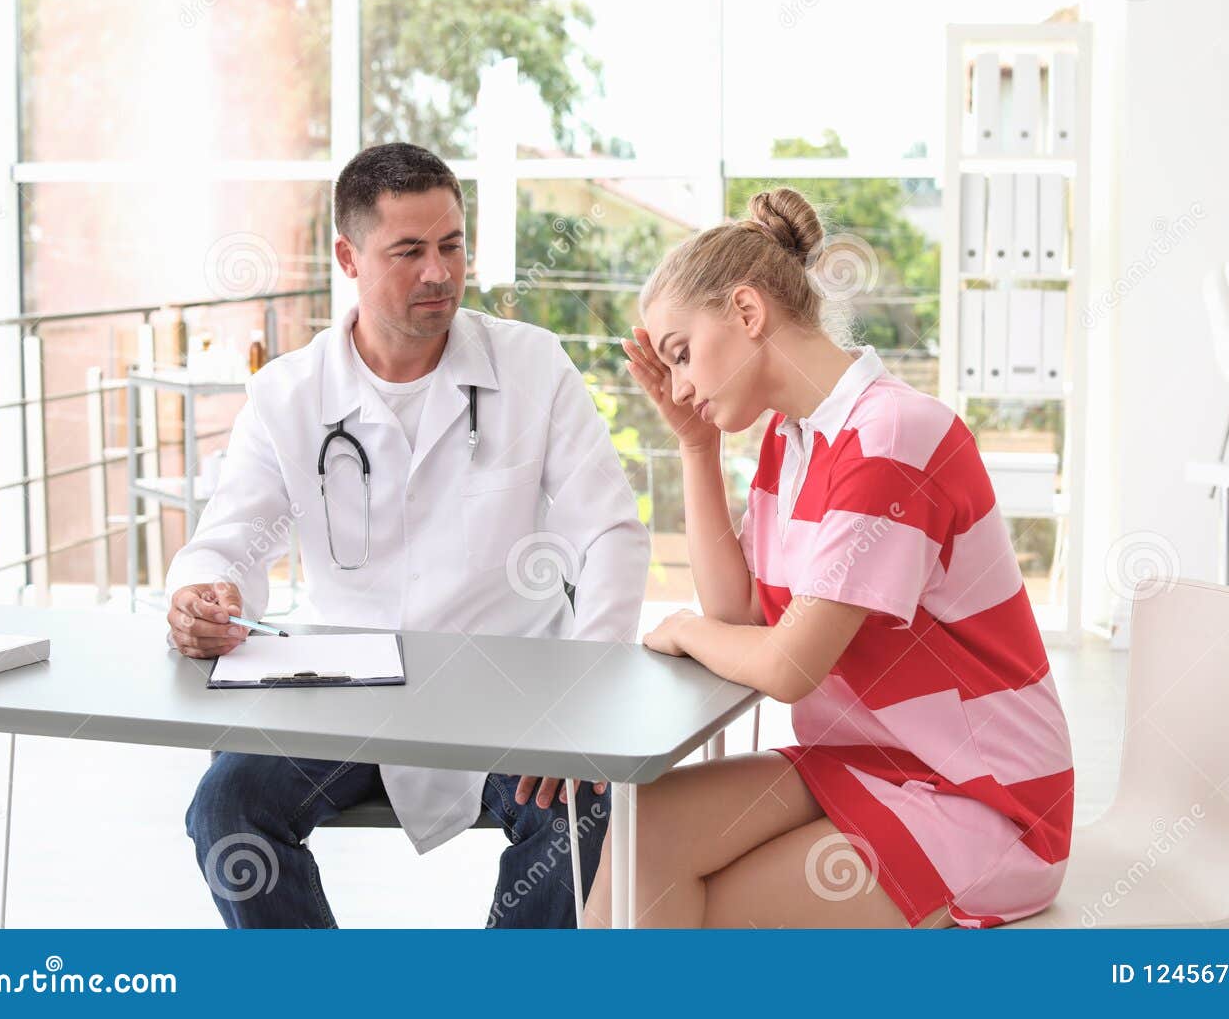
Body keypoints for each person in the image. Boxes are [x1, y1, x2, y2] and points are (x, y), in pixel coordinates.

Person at [167, 143, 650, 927]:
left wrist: (581, 694)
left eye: (452, 245)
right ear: (348, 256)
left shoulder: (531, 365)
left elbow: (614, 537)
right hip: (347, 692)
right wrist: (203, 593)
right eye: (410, 251)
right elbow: (228, 544)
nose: (440, 272)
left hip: (512, 686)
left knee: (579, 812)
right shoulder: (288, 394)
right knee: (228, 805)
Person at [585, 187, 1073, 928]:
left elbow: (787, 666)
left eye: (682, 354)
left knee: (708, 915)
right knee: (641, 834)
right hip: (866, 758)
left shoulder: (894, 436)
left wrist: (680, 629)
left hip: (983, 800)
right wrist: (696, 446)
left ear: (748, 313)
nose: (678, 385)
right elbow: (741, 614)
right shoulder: (794, 439)